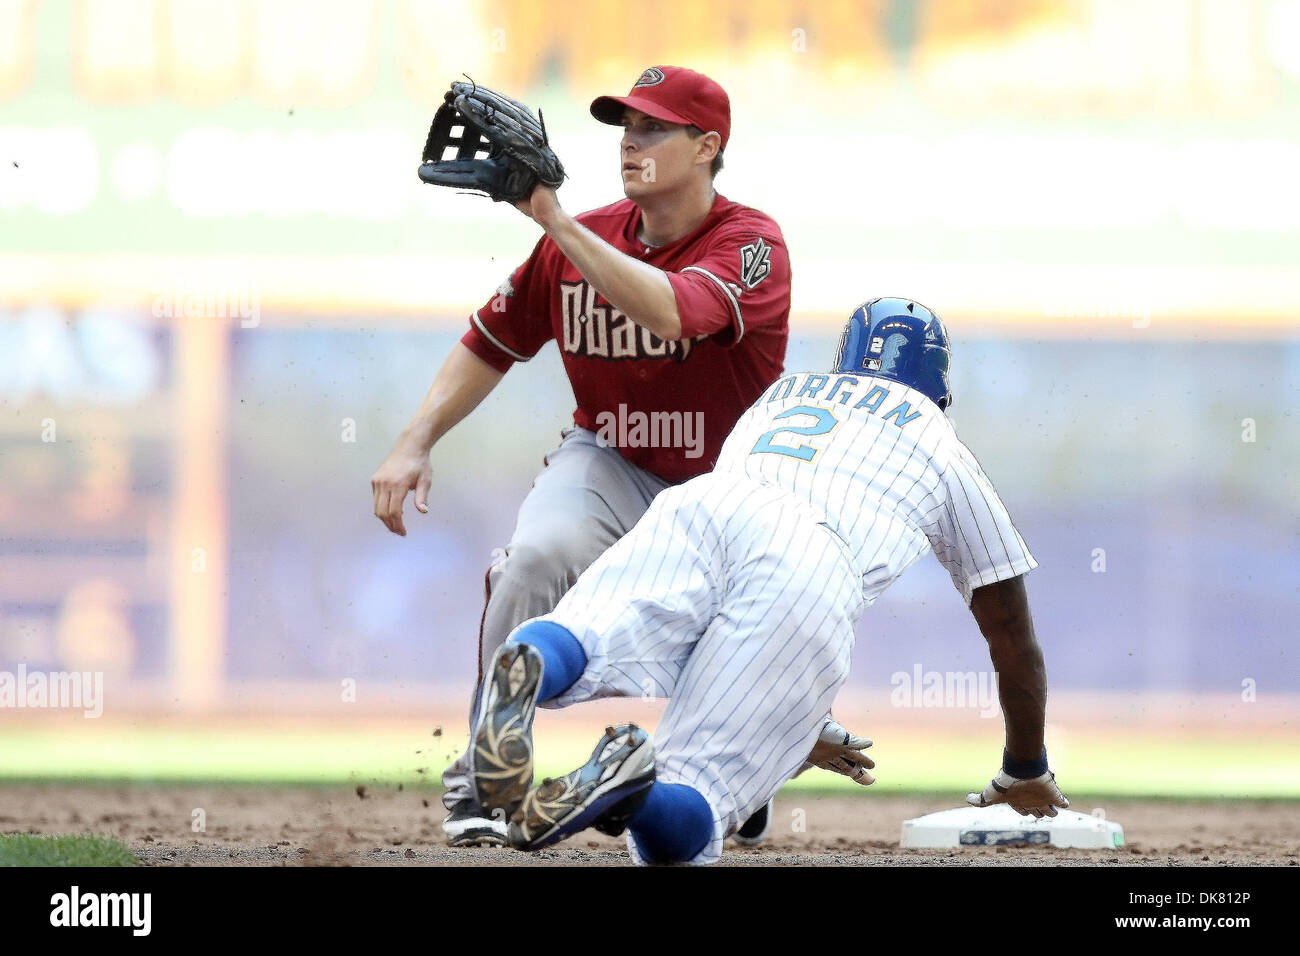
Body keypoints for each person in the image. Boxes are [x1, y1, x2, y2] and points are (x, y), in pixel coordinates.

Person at [469, 297, 1070, 865]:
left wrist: (800, 718)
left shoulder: (780, 396)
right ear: (938, 380)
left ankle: (529, 658)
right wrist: (1025, 764)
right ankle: (632, 794)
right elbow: (1012, 638)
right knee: (688, 825)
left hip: (702, 503)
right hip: (814, 559)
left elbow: (718, 608)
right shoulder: (941, 444)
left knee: (582, 639)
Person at [371, 66, 799, 846]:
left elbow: (672, 313)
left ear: (707, 146)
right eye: (625, 127)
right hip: (611, 455)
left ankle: (734, 766)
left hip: (727, 488)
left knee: (746, 651)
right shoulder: (581, 236)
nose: (631, 142)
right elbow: (491, 341)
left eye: (653, 128)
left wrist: (554, 221)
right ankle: (482, 783)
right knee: (533, 557)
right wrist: (416, 438)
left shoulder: (752, 243)